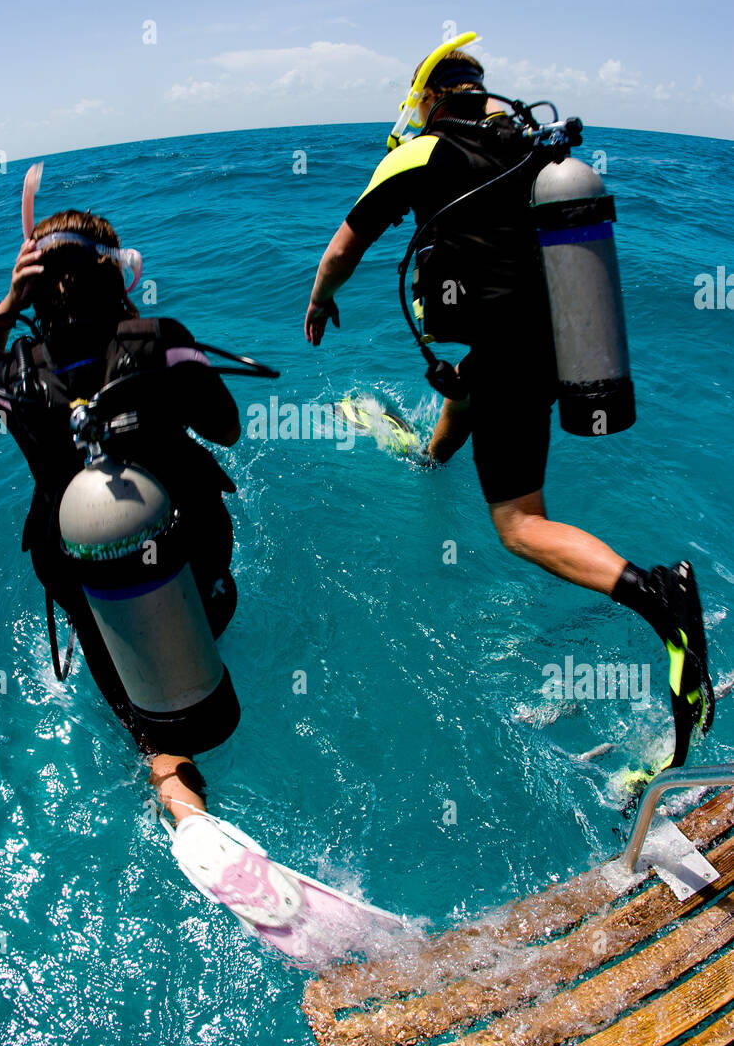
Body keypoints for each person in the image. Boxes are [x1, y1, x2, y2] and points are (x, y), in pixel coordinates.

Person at [304, 49, 715, 772]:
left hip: (509, 353)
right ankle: (432, 456)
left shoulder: (420, 152)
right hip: (561, 335)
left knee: (519, 525)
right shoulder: (526, 145)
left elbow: (343, 248)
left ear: (429, 98)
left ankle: (659, 597)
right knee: (469, 387)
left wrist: (319, 298)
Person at [0, 184, 242, 823]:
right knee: (204, 631)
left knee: (154, 732)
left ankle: (184, 806)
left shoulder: (16, 375)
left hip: (92, 578)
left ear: (35, 285)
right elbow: (226, 428)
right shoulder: (160, 339)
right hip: (191, 547)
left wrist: (9, 304)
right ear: (116, 271)